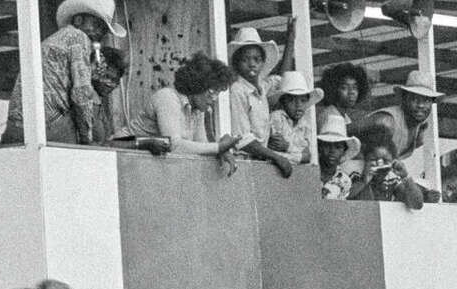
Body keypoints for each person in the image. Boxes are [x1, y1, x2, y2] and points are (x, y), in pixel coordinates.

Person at [0, 0, 119, 146]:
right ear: (78, 20)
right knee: (96, 140)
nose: (99, 33)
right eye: (96, 25)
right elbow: (81, 93)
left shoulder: (53, 40)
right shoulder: (79, 37)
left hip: (16, 127)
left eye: (103, 30)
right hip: (46, 125)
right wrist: (87, 140)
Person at [132, 54, 241, 165]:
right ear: (198, 84)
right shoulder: (167, 97)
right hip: (123, 152)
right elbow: (174, 146)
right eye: (212, 91)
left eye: (218, 92)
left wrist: (221, 151)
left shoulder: (197, 109)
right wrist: (218, 147)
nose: (214, 98)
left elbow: (201, 145)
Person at [224, 22, 299, 177]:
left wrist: (290, 40)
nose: (252, 64)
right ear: (237, 63)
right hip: (242, 163)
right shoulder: (237, 90)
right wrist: (276, 156)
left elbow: (283, 78)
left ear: (263, 62)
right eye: (245, 59)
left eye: (257, 59)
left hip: (260, 163)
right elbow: (242, 139)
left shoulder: (263, 87)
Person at [363, 68, 440, 183]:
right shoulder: (387, 121)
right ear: (404, 99)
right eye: (415, 99)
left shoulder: (419, 130)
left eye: (426, 100)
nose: (421, 105)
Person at [348, 138, 425, 208]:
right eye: (373, 159)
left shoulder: (392, 181)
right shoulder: (356, 177)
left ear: (393, 162)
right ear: (365, 161)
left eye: (385, 160)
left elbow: (417, 204)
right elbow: (345, 197)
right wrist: (364, 181)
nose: (380, 164)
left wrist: (405, 176)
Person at [266, 70, 319, 169]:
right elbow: (274, 155)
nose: (298, 105)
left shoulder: (305, 125)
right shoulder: (277, 118)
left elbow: (308, 157)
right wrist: (300, 156)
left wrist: (287, 147)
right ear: (282, 102)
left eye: (303, 101)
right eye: (291, 100)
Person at [315, 109, 362, 200]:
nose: (332, 151)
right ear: (320, 147)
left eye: (338, 147)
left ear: (344, 151)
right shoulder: (309, 171)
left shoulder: (344, 181)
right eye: (327, 146)